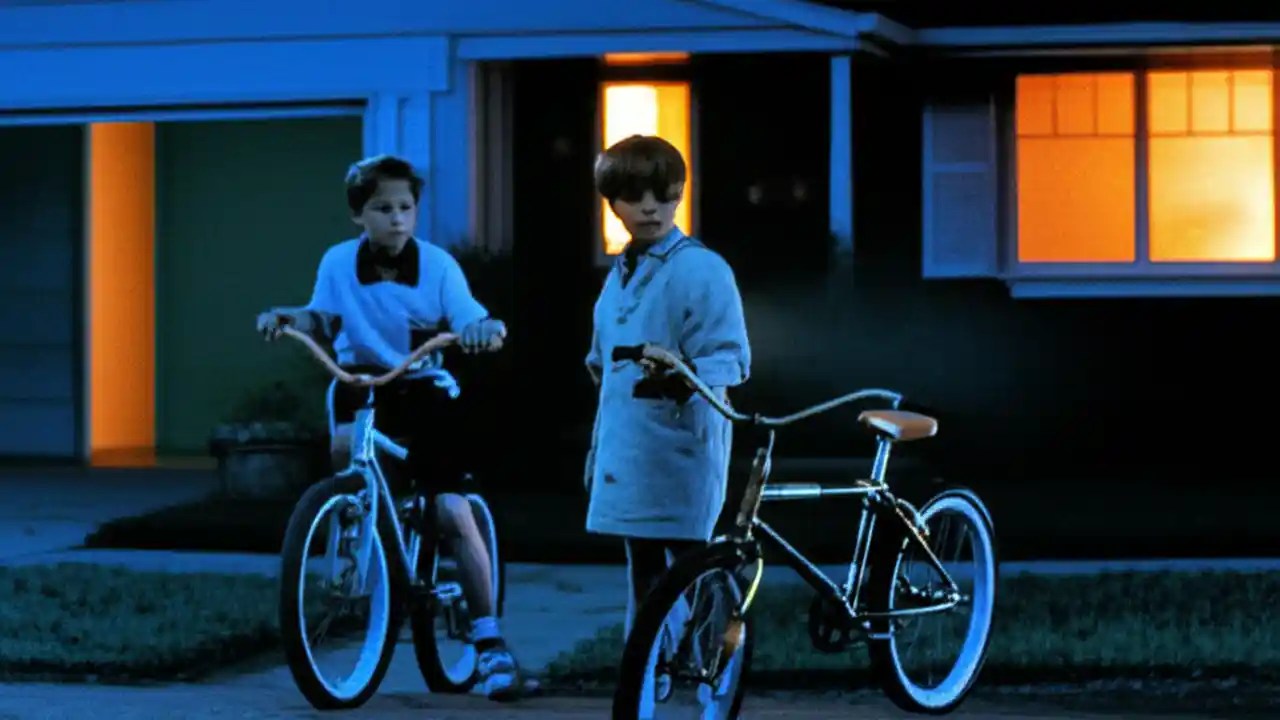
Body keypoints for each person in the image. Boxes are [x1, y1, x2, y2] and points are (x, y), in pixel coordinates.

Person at [255, 154, 525, 702]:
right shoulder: (337, 263)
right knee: (342, 453)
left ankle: (489, 639)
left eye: (406, 208)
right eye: (382, 209)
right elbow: (321, 317)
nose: (397, 219)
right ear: (359, 215)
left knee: (449, 507)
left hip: (423, 387)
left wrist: (481, 330)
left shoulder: (439, 267)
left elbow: (469, 315)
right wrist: (288, 317)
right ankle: (358, 534)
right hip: (359, 380)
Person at [583, 135, 752, 640]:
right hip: (628, 441)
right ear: (612, 203)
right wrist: (598, 448)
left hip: (680, 441)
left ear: (680, 194)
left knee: (693, 562)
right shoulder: (619, 276)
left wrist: (683, 371)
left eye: (663, 194)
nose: (650, 208)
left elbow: (732, 358)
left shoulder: (701, 268)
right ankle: (651, 666)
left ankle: (717, 662)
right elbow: (602, 366)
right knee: (641, 560)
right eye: (634, 197)